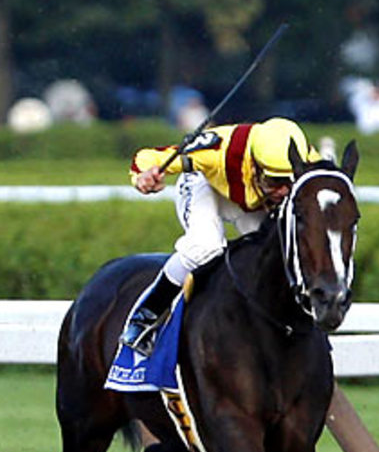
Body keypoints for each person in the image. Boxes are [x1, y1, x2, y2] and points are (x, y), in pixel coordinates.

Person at [119, 117, 319, 355]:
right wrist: (143, 176)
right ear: (254, 165)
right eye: (275, 181)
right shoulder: (216, 151)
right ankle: (145, 317)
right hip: (206, 185)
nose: (283, 191)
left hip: (252, 199)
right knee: (205, 247)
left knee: (278, 252)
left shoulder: (309, 160)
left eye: (290, 182)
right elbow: (147, 157)